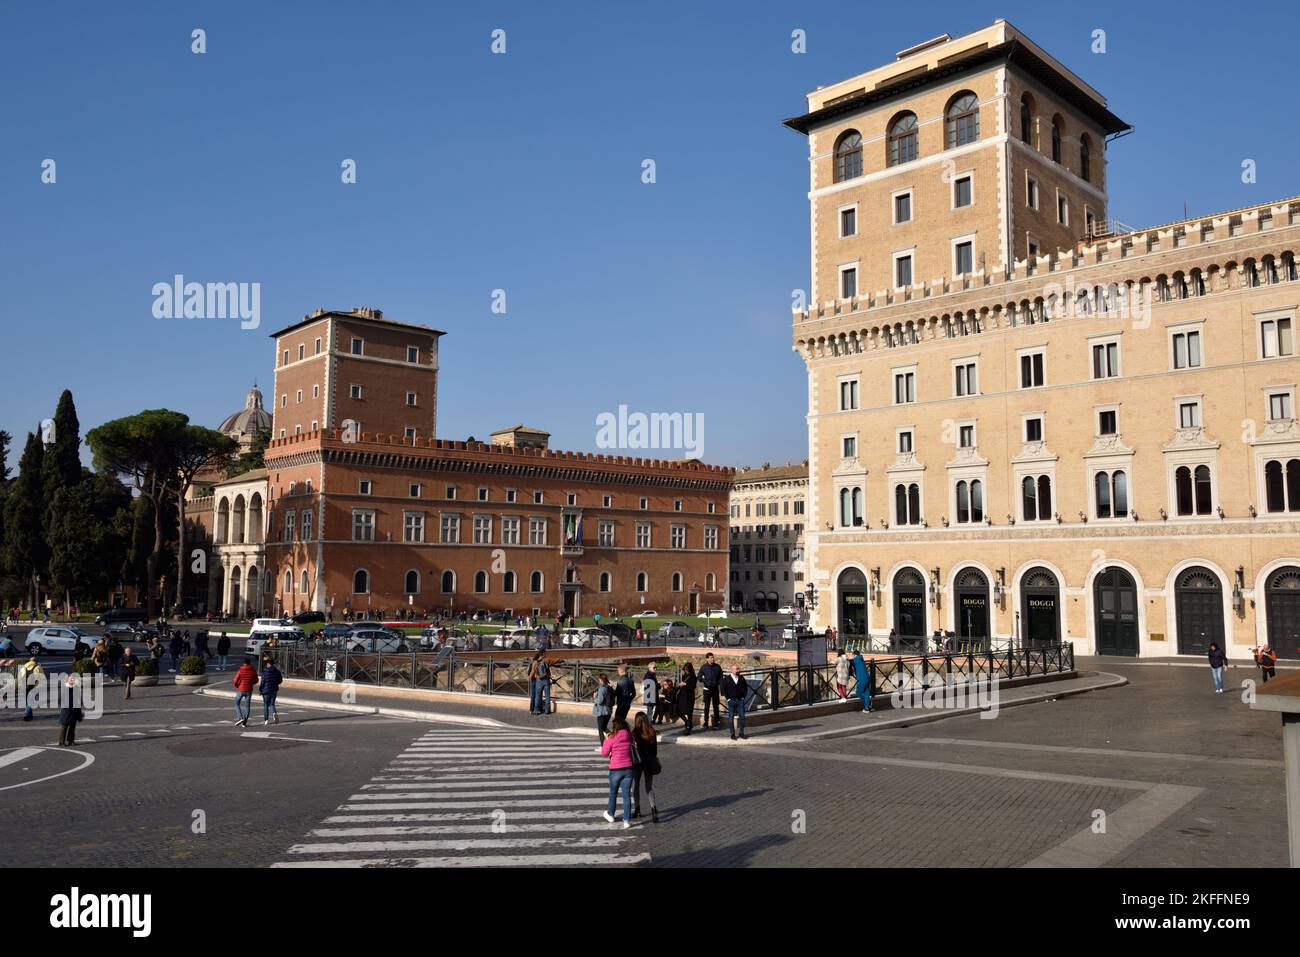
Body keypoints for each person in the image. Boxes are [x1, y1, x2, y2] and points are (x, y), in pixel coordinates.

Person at [600, 717, 636, 828]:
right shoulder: (629, 735)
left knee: (613, 793)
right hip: (629, 768)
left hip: (615, 769)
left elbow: (604, 753)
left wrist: (606, 739)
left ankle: (610, 814)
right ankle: (627, 821)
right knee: (626, 796)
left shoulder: (611, 737)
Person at [631, 712, 661, 823]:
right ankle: (653, 809)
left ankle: (637, 809)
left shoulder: (634, 733)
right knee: (649, 788)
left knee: (636, 786)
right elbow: (655, 752)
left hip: (638, 763)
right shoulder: (652, 732)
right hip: (649, 762)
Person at [722, 665, 749, 740]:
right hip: (731, 701)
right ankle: (732, 734)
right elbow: (724, 690)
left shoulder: (741, 678)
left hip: (740, 700)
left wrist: (743, 697)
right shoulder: (727, 679)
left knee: (742, 717)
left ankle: (741, 733)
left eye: (738, 669)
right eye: (737, 669)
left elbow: (745, 688)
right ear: (732, 670)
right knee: (731, 718)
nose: (738, 670)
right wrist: (728, 699)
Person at [698, 652, 723, 729]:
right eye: (711, 657)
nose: (713, 659)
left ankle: (716, 723)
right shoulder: (703, 667)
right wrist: (705, 681)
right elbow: (699, 677)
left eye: (713, 657)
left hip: (715, 690)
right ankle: (706, 723)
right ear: (707, 659)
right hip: (707, 690)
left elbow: (721, 678)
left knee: (716, 706)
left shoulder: (718, 667)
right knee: (706, 707)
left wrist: (717, 683)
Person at [57, 673, 83, 747]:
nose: (72, 679)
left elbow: (79, 698)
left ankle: (71, 741)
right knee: (64, 726)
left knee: (72, 726)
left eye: (73, 679)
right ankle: (61, 742)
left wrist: (80, 704)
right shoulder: (64, 688)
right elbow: (60, 699)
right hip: (67, 710)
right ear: (67, 679)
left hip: (75, 709)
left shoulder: (76, 688)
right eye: (70, 678)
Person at [232, 658, 258, 726]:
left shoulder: (240, 670)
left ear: (244, 663)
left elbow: (235, 680)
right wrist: (251, 683)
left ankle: (240, 717)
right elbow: (256, 680)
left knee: (236, 703)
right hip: (249, 690)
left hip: (241, 689)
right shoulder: (253, 670)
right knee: (247, 706)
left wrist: (237, 685)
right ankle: (244, 722)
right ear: (250, 663)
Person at [675, 661, 697, 734]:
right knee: (679, 711)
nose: (685, 671)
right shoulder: (684, 676)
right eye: (685, 669)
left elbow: (693, 686)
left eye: (687, 670)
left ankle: (688, 728)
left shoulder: (693, 677)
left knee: (689, 713)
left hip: (690, 697)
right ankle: (688, 723)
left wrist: (685, 684)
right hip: (683, 696)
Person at [260, 657, 283, 725]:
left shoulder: (265, 672)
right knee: (272, 704)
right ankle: (274, 713)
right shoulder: (277, 671)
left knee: (266, 705)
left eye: (267, 663)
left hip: (266, 690)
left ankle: (266, 720)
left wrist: (260, 689)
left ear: (268, 664)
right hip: (274, 689)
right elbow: (280, 680)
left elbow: (262, 682)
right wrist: (275, 683)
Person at [529, 651, 554, 716]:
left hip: (539, 680)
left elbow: (532, 672)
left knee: (538, 696)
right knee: (547, 696)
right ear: (542, 655)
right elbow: (554, 662)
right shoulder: (546, 661)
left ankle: (536, 710)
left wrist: (531, 679)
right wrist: (561, 660)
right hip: (546, 680)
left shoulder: (535, 662)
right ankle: (547, 710)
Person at [593, 672, 613, 750]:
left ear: (601, 680)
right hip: (608, 711)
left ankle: (603, 746)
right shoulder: (608, 687)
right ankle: (613, 737)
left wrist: (594, 698)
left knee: (600, 729)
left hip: (602, 711)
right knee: (604, 727)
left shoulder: (601, 689)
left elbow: (600, 701)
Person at [19, 657, 43, 721]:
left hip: (23, 687)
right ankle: (26, 715)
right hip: (32, 687)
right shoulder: (38, 667)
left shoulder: (23, 667)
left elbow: (19, 678)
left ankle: (30, 715)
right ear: (36, 661)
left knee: (27, 701)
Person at [851, 649, 872, 714]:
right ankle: (866, 709)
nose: (853, 657)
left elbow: (849, 661)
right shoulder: (861, 659)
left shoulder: (856, 659)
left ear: (855, 655)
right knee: (866, 693)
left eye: (853, 655)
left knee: (858, 693)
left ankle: (868, 702)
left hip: (862, 679)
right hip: (867, 678)